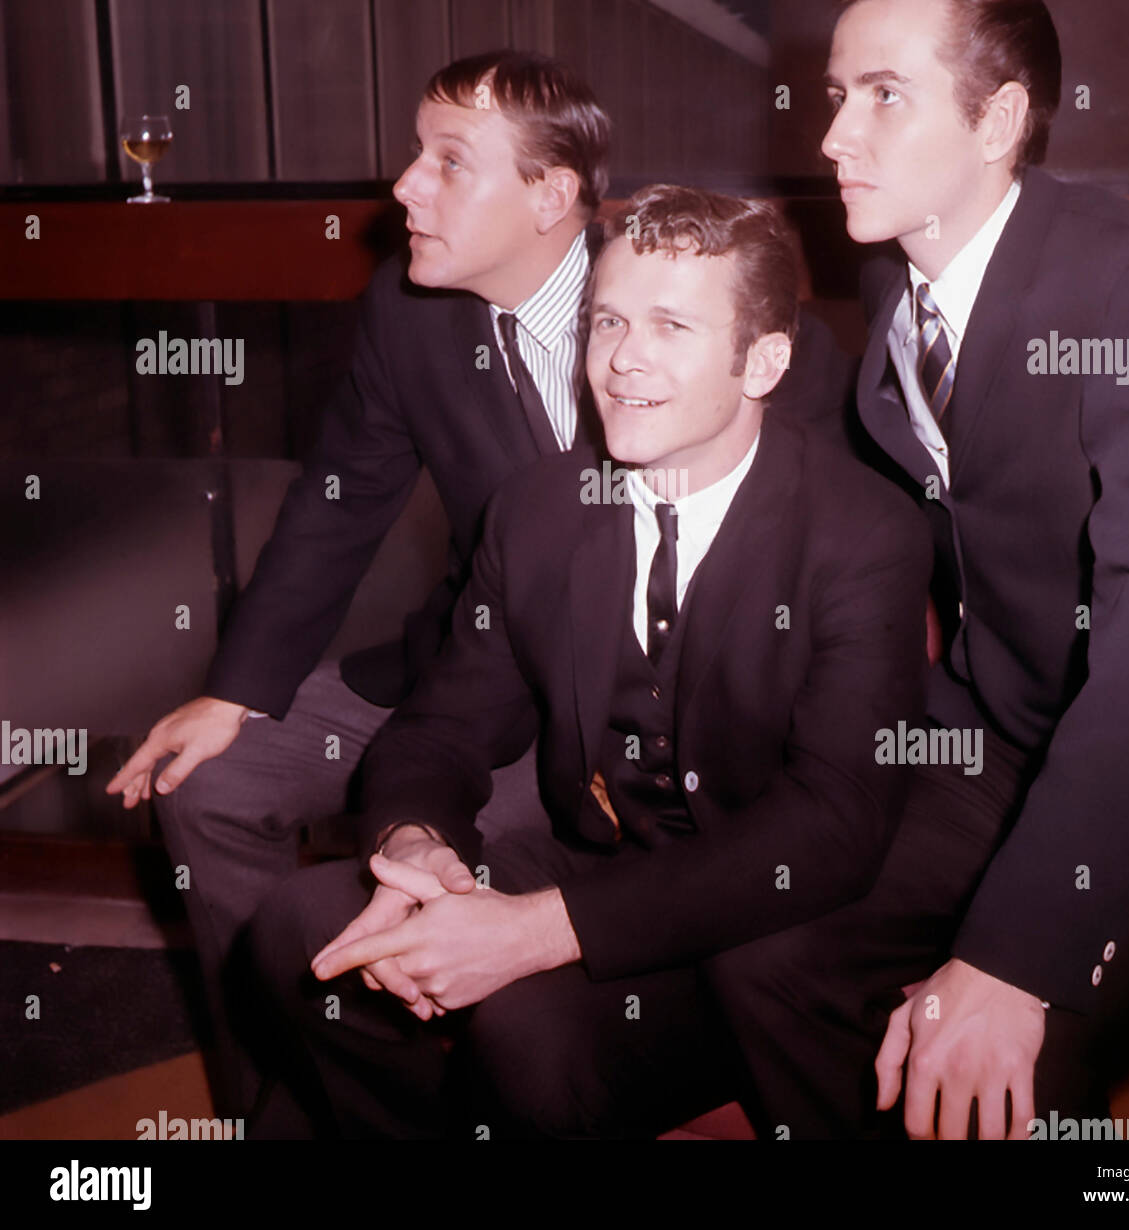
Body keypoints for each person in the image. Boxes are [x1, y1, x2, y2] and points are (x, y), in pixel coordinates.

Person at [104, 52, 853, 1120]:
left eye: (447, 162)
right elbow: (337, 501)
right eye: (417, 155)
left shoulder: (685, 311)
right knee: (210, 784)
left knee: (476, 884)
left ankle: (471, 1085)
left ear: (551, 195)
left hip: (612, 720)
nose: (404, 186)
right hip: (466, 668)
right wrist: (237, 689)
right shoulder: (408, 313)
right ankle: (281, 1107)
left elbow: (824, 548)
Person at [246, 184, 932, 1139]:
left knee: (530, 1031)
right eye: (607, 320)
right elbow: (443, 725)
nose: (622, 360)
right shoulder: (541, 507)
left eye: (671, 326)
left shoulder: (864, 533)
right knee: (297, 929)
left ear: (764, 360)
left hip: (763, 918)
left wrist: (531, 933)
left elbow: (831, 827)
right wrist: (420, 853)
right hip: (601, 857)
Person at [815, 0, 1129, 1139]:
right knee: (770, 937)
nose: (832, 137)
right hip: (998, 738)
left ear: (998, 119)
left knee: (1003, 1060)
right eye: (833, 94)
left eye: (883, 95)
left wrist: (1015, 956)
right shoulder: (891, 289)